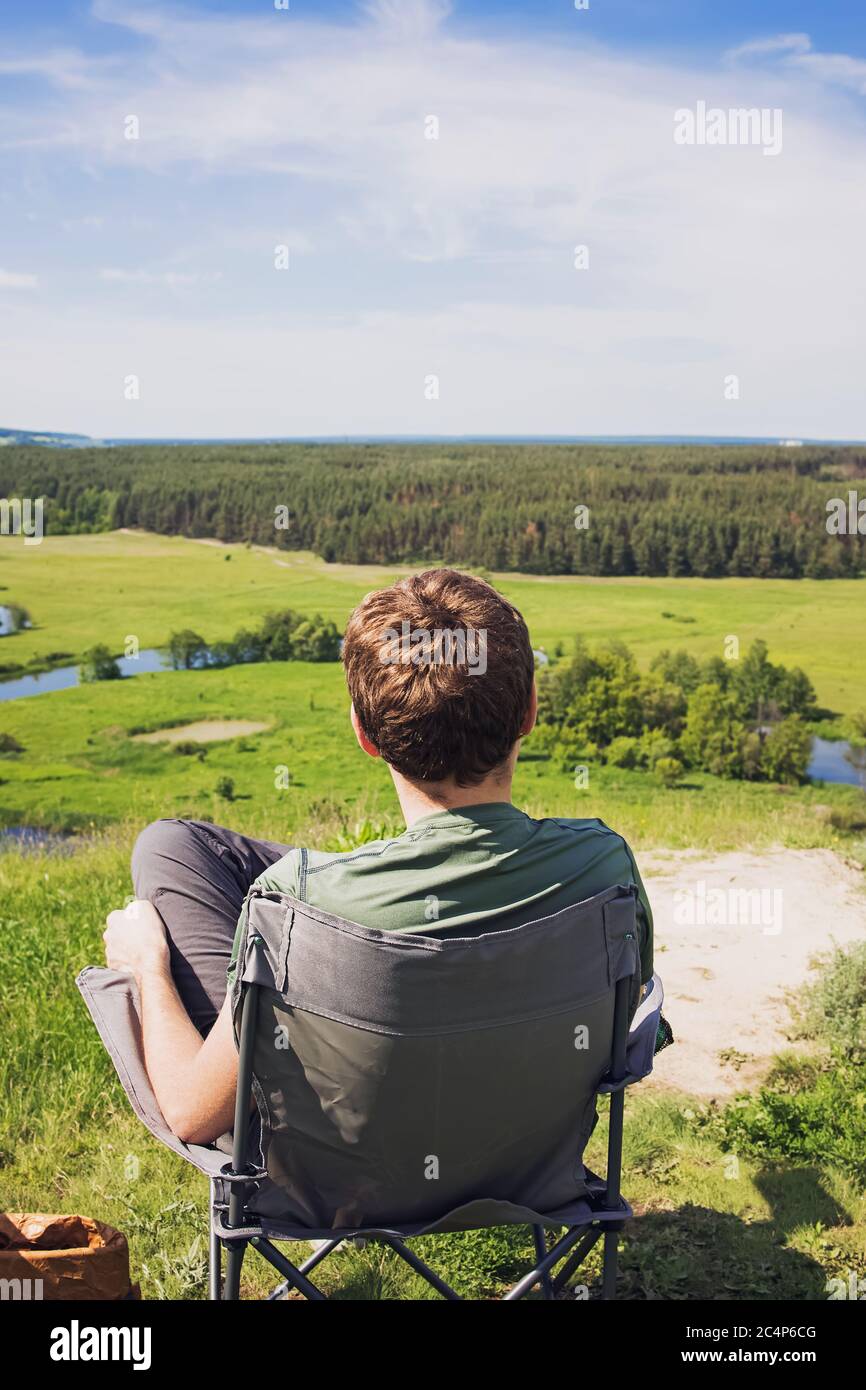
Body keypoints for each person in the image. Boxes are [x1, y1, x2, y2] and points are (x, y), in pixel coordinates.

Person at [103, 568, 654, 1145]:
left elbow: (192, 1116)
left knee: (169, 848)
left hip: (330, 1173)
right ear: (530, 713)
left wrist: (146, 966)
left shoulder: (294, 905)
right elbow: (623, 1016)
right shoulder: (604, 867)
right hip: (530, 1158)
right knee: (177, 844)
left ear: (364, 733)